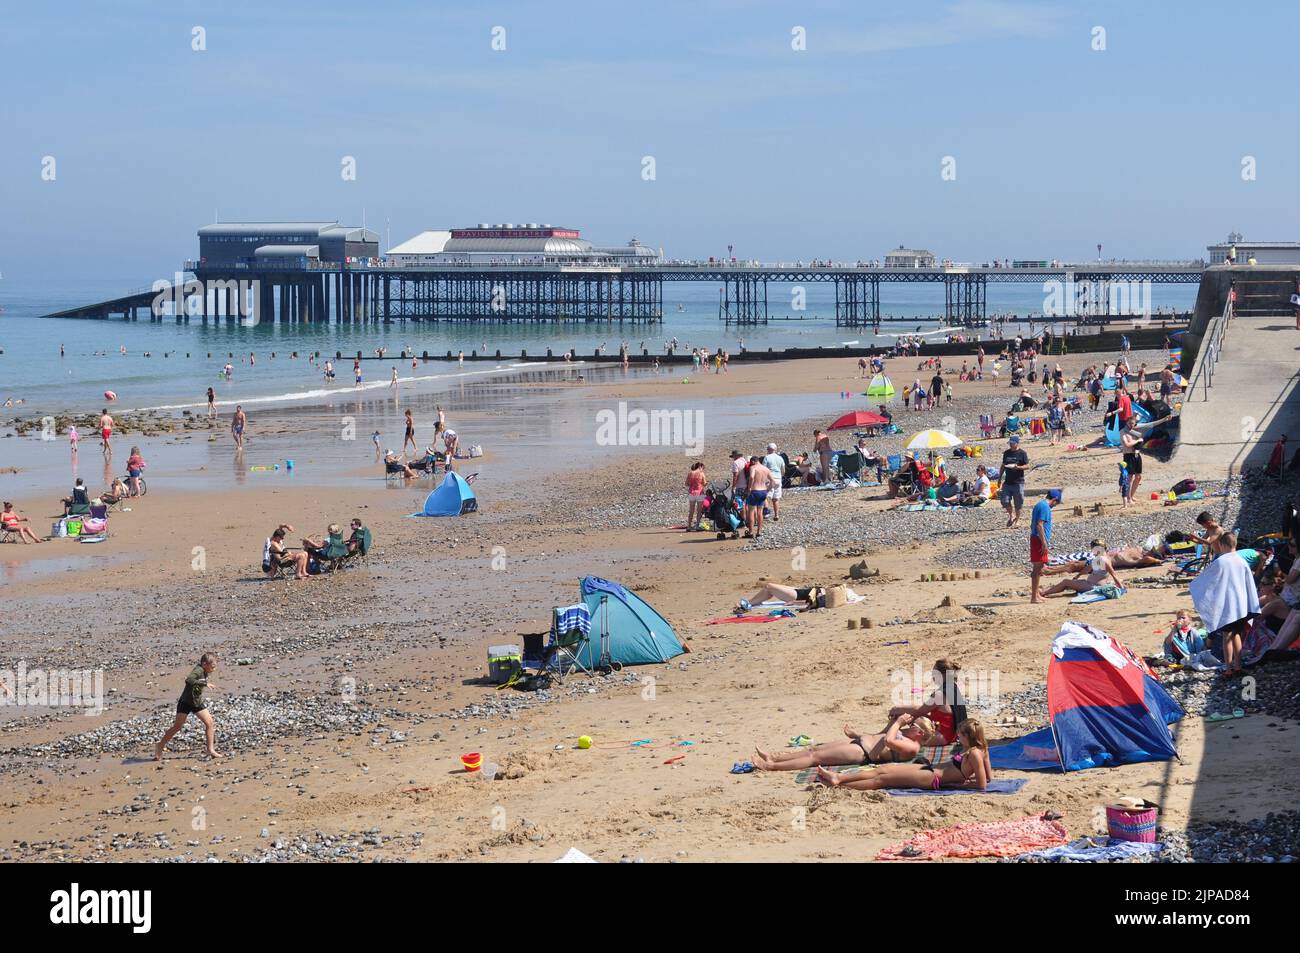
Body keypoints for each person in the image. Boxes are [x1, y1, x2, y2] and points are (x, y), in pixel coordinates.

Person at [815, 719, 990, 792]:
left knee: (884, 779)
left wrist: (957, 783)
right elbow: (989, 778)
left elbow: (982, 785)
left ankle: (839, 781)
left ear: (968, 736)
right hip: (930, 771)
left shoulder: (974, 753)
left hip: (932, 778)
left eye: (960, 735)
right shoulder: (982, 750)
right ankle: (839, 780)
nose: (958, 737)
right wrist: (962, 779)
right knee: (884, 770)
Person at [752, 714, 938, 771]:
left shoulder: (913, 747)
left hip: (861, 753)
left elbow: (889, 741)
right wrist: (857, 733)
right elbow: (881, 735)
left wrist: (898, 724)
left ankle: (770, 767)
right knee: (813, 748)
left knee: (814, 757)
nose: (910, 724)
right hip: (859, 742)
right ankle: (775, 758)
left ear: (920, 733)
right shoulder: (908, 733)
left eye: (914, 724)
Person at [154, 653, 222, 760]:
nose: (214, 669)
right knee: (177, 727)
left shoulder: (204, 671)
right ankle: (160, 745)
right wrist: (205, 684)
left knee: (209, 723)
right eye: (212, 666)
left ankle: (210, 750)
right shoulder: (198, 670)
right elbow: (189, 680)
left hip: (196, 702)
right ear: (204, 664)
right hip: (185, 702)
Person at [888, 659, 968, 744]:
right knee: (910, 717)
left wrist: (896, 709)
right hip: (955, 735)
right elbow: (924, 711)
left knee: (896, 733)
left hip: (944, 737)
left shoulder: (940, 694)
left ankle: (883, 735)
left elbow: (919, 710)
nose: (933, 677)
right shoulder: (953, 688)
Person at [1043, 537, 1125, 597]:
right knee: (1070, 583)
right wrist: (1077, 576)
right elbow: (1088, 568)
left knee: (1065, 582)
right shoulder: (1101, 558)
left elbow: (1114, 574)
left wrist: (1121, 589)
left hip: (1093, 586)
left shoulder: (1103, 560)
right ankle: (1047, 591)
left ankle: (1044, 592)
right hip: (1092, 584)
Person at [1030, 489, 1063, 603]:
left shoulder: (1040, 504)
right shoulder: (1045, 507)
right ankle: (1034, 597)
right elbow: (1039, 525)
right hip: (1038, 540)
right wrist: (1044, 543)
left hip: (1037, 539)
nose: (1056, 505)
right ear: (1054, 500)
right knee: (1037, 568)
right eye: (1057, 503)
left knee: (1039, 569)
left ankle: (1036, 594)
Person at [999, 434, 1029, 527]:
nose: (1010, 445)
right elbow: (1003, 466)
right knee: (1004, 501)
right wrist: (999, 478)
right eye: (1010, 443)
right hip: (1007, 482)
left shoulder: (1022, 453)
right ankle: (1011, 516)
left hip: (1018, 482)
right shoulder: (1006, 453)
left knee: (1018, 503)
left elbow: (1027, 466)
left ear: (1017, 443)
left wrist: (1018, 467)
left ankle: (1017, 520)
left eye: (1012, 443)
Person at [736, 583, 827, 613]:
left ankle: (748, 604)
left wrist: (796, 603)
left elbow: (814, 601)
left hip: (797, 596)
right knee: (769, 588)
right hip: (801, 591)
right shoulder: (833, 593)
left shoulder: (826, 596)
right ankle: (751, 602)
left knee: (769, 586)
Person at [744, 455, 772, 540]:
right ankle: (759, 532)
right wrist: (768, 490)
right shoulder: (766, 468)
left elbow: (752, 477)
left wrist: (749, 488)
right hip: (763, 491)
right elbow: (773, 480)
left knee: (751, 511)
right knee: (760, 512)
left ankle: (751, 532)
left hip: (754, 491)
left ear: (753, 461)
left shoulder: (753, 467)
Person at [762, 443, 784, 521]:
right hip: (778, 478)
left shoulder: (767, 457)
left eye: (768, 449)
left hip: (770, 478)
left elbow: (763, 469)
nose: (767, 450)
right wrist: (781, 476)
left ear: (770, 449)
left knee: (765, 496)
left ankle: (766, 512)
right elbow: (783, 469)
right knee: (776, 498)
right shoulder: (780, 458)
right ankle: (776, 515)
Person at [1121, 429, 1144, 505]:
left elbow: (1152, 424)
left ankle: (1131, 495)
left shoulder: (1137, 431)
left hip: (1137, 455)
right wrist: (1137, 441)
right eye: (1130, 423)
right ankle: (1128, 498)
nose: (1131, 425)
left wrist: (1164, 419)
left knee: (1138, 477)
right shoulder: (1123, 431)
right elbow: (1127, 444)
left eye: (1133, 423)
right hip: (1128, 455)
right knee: (1130, 477)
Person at [685, 461, 707, 531]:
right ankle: (697, 525)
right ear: (700, 466)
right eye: (703, 468)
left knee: (691, 510)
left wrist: (692, 484)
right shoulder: (701, 473)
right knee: (699, 510)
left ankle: (689, 526)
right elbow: (704, 483)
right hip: (700, 493)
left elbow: (686, 483)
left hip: (692, 493)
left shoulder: (690, 473)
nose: (703, 469)